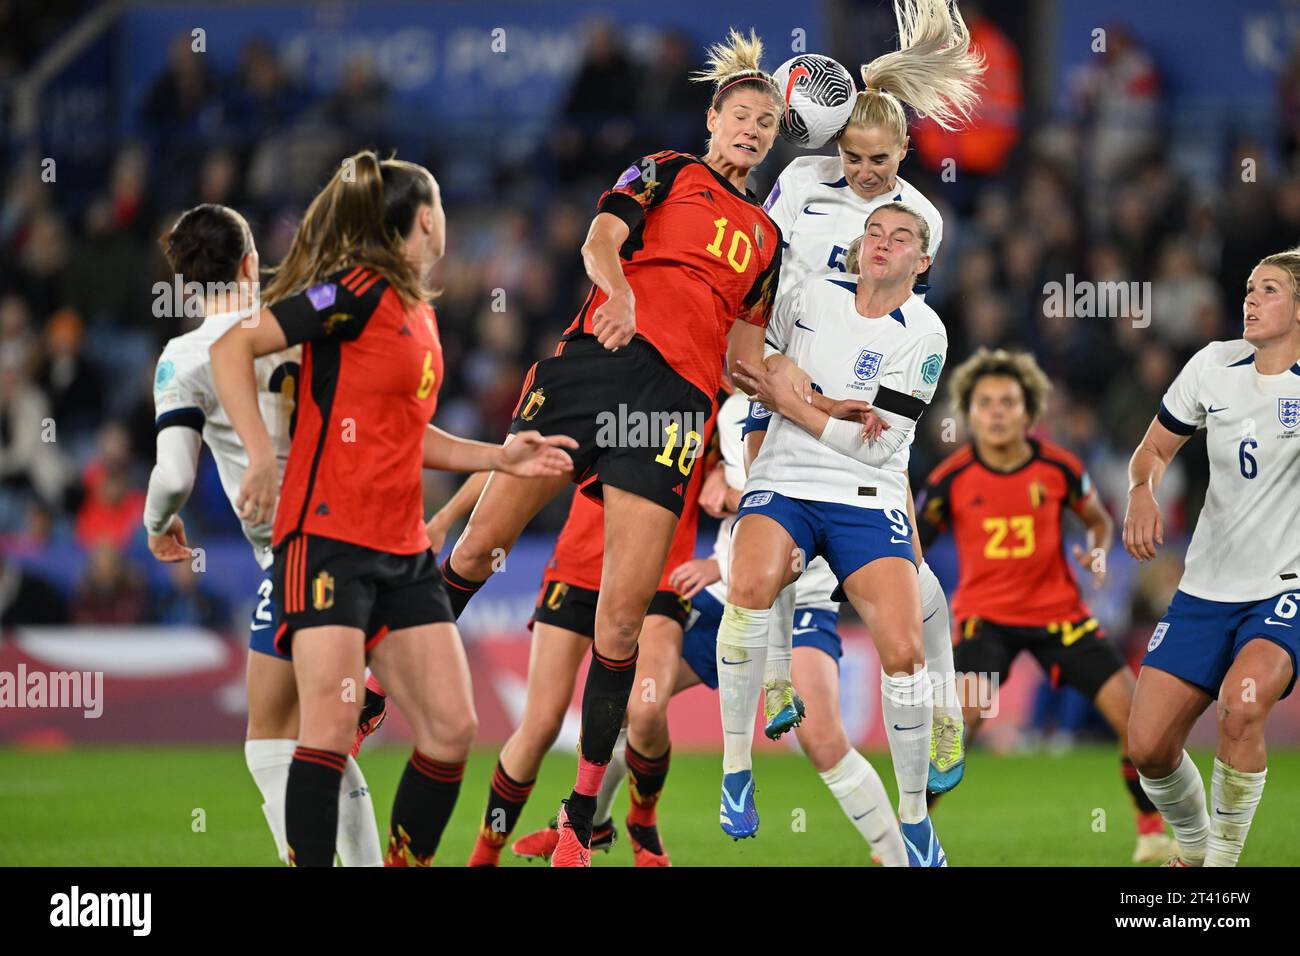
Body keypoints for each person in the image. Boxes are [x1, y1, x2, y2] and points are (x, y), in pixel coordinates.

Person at [439, 29, 784, 867]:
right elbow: (599, 241)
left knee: (622, 624)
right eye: (740, 115)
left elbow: (745, 357)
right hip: (599, 363)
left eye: (766, 124)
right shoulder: (665, 168)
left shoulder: (769, 245)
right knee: (481, 546)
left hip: (677, 404)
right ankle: (381, 687)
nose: (750, 130)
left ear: (777, 138)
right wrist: (622, 293)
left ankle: (589, 819)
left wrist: (806, 401)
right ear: (712, 117)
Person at [209, 152, 575, 867]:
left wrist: (500, 456)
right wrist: (258, 455)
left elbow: (412, 435)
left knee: (450, 727)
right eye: (440, 209)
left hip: (401, 551)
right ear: (428, 219)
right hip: (326, 543)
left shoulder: (417, 312)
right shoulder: (353, 292)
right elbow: (236, 344)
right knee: (331, 722)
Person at [759, 0, 985, 787]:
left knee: (906, 563)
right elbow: (760, 265)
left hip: (862, 394)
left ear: (904, 152)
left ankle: (946, 708)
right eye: (854, 155)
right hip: (781, 369)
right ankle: (780, 679)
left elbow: (901, 316)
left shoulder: (918, 216)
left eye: (881, 160)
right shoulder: (796, 180)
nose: (865, 172)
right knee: (761, 519)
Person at [144, 203, 383, 865]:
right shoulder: (305, 324)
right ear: (251, 263)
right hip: (371, 534)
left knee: (275, 738)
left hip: (302, 552)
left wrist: (157, 525)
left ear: (188, 284)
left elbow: (171, 476)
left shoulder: (187, 356)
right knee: (322, 729)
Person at [728, 202, 948, 865]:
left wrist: (797, 398)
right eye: (873, 233)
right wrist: (816, 400)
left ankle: (913, 819)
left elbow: (875, 448)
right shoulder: (807, 297)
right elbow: (750, 376)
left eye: (900, 236)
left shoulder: (926, 334)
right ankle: (737, 772)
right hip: (788, 481)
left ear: (922, 260)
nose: (882, 243)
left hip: (866, 496)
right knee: (749, 584)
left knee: (905, 650)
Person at [917, 347, 1174, 863]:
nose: (995, 412)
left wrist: (1099, 551)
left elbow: (1099, 519)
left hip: (1062, 616)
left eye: (1007, 402)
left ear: (1028, 411)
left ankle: (1150, 832)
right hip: (985, 621)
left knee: (1137, 723)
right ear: (968, 413)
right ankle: (903, 837)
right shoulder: (948, 480)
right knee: (957, 731)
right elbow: (913, 550)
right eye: (985, 402)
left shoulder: (1058, 466)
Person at [454, 388, 724, 869]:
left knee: (643, 709)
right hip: (576, 569)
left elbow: (746, 466)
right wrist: (446, 519)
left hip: (657, 575)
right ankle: (485, 856)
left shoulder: (707, 401)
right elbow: (515, 461)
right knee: (539, 725)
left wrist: (724, 487)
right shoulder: (603, 383)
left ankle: (640, 822)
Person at [1123, 249, 1300, 867]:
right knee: (1147, 748)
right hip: (1204, 590)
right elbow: (1151, 451)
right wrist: (1141, 492)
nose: (1251, 298)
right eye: (1250, 288)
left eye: (1270, 290)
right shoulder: (1214, 366)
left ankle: (1220, 873)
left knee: (1243, 705)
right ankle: (1194, 852)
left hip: (1283, 588)